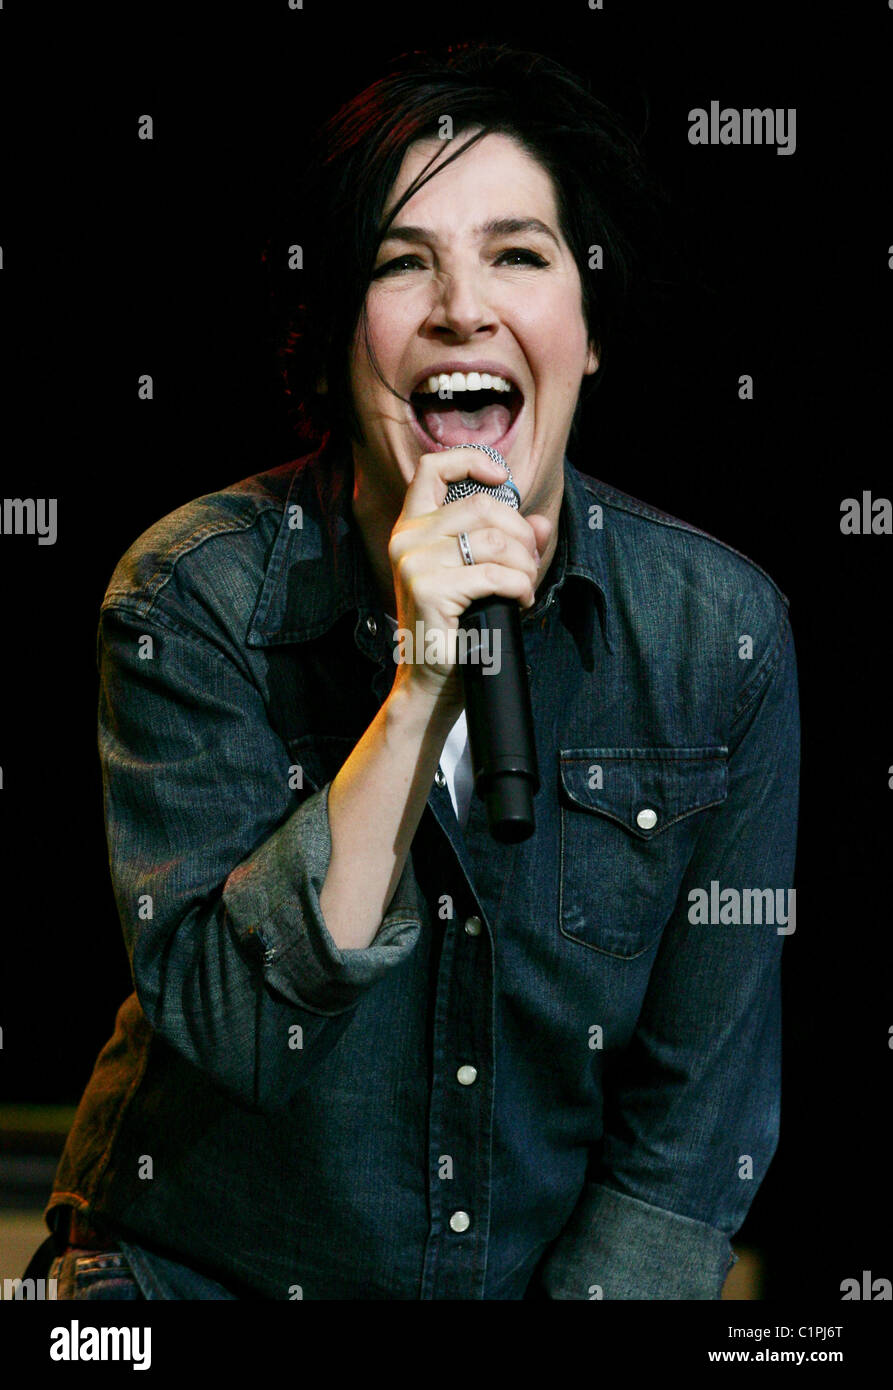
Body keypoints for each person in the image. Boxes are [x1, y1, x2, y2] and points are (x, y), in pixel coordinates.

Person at [32, 42, 799, 1300]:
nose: (461, 306)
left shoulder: (722, 638)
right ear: (340, 337)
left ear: (587, 331)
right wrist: (417, 685)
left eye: (516, 253)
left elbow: (688, 1138)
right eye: (402, 262)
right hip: (185, 1282)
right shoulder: (194, 591)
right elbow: (238, 1029)